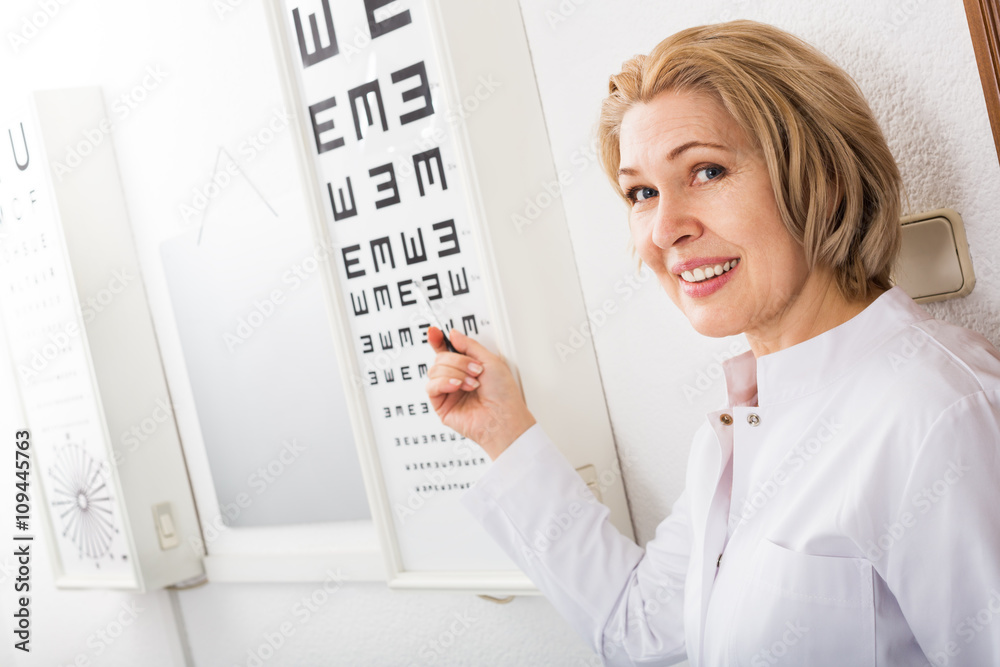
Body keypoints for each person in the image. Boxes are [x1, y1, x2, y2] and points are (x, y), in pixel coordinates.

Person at [424, 20, 1000, 666]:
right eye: (641, 192)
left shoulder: (939, 412)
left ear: (824, 179)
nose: (665, 228)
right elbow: (638, 628)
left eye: (705, 171)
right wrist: (504, 429)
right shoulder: (737, 431)